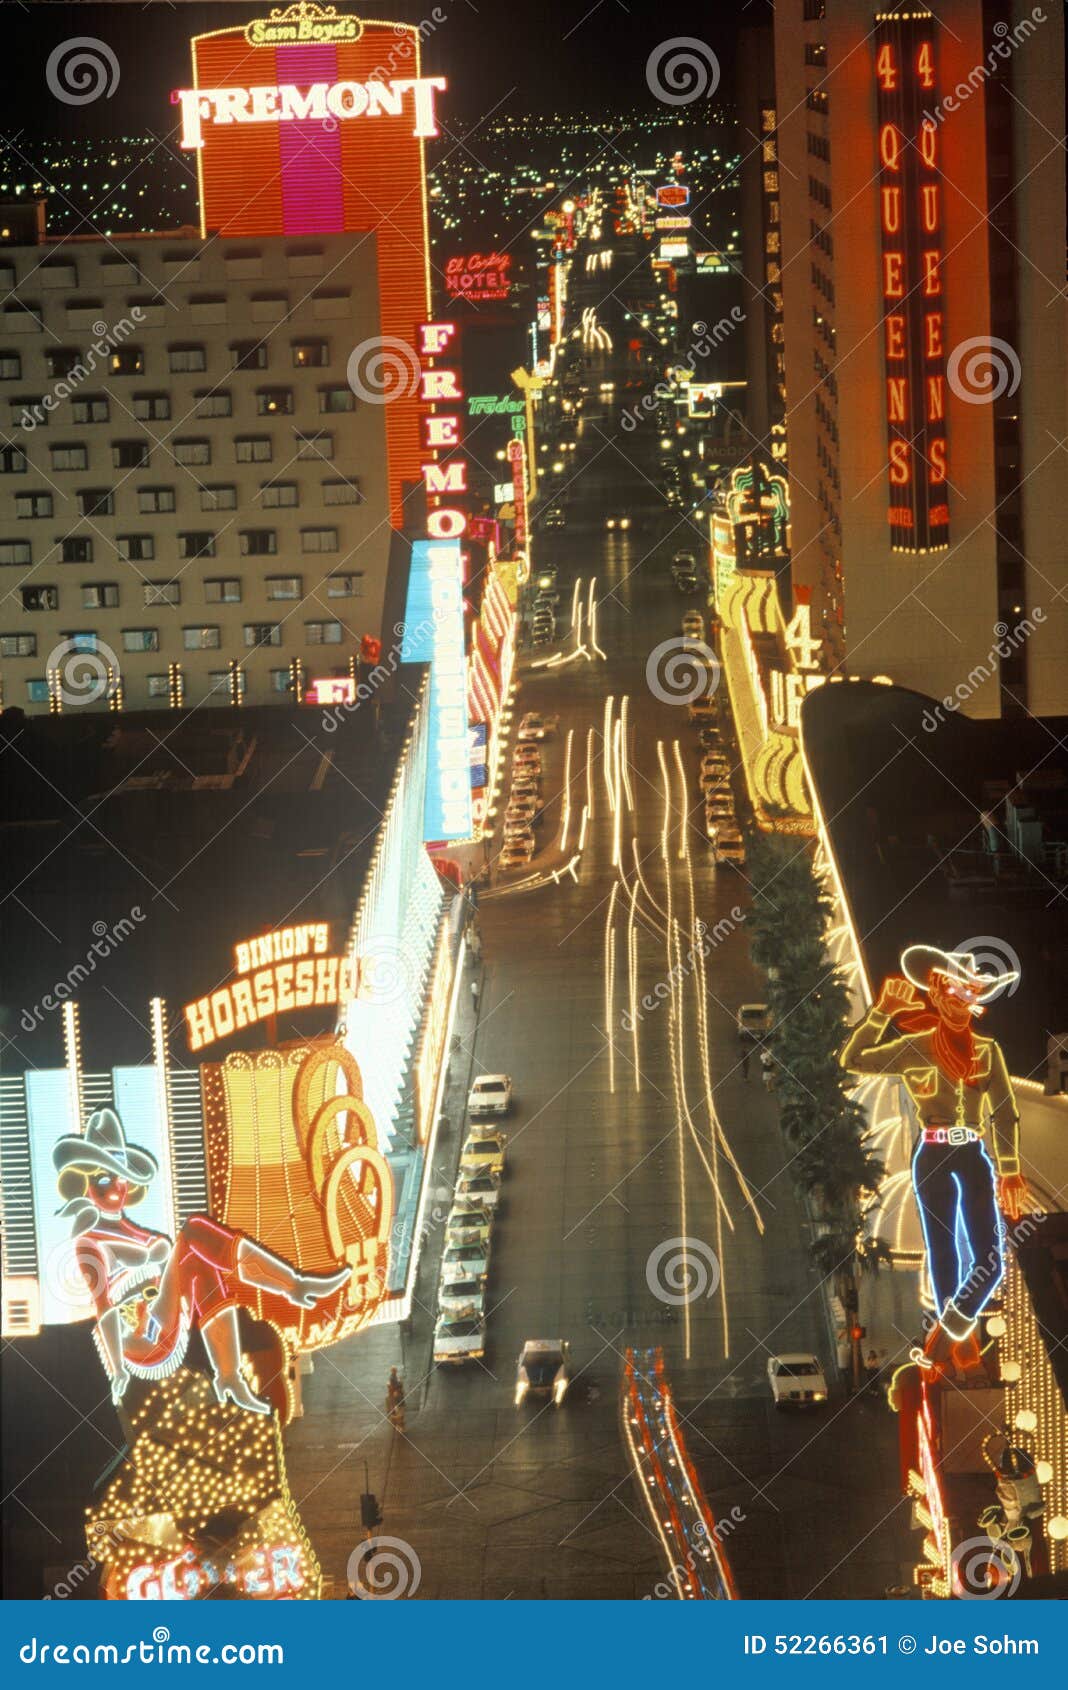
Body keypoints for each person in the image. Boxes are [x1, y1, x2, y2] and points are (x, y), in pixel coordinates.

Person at [53, 1109, 350, 1415]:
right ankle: (295, 1286)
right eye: (103, 1179)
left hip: (159, 1317)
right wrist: (117, 1371)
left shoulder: (129, 1228)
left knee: (200, 1266)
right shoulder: (89, 1243)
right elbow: (104, 1309)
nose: (116, 1187)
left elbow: (167, 1263)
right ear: (86, 1185)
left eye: (121, 1175)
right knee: (194, 1230)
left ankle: (229, 1376)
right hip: (139, 1338)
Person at [841, 945, 1028, 1375]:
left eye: (969, 996)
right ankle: (954, 1342)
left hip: (974, 1154)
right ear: (938, 997)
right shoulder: (914, 1047)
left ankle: (952, 1329)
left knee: (990, 1260)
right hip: (933, 1155)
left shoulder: (987, 1051)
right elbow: (851, 1060)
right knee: (943, 1252)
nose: (961, 1005)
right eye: (953, 994)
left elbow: (1003, 1109)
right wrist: (882, 1012)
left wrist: (1011, 1170)